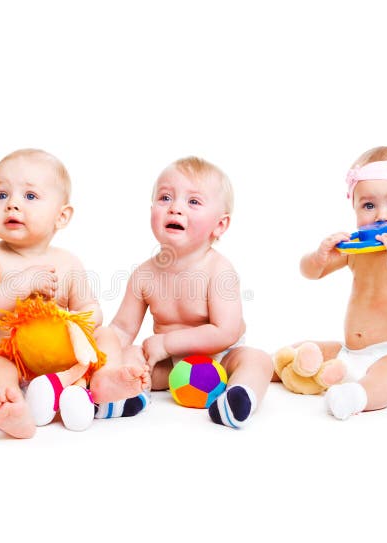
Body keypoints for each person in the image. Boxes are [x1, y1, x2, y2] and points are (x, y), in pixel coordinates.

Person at [0, 148, 149, 438]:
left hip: (63, 365)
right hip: (9, 360)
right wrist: (20, 285)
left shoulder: (68, 262)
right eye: (1, 195)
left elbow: (92, 308)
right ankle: (12, 406)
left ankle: (103, 382)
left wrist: (77, 319)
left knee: (106, 335)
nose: (12, 205)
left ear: (61, 216)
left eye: (30, 196)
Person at [109, 157, 273, 428]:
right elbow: (123, 329)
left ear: (219, 225)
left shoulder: (218, 271)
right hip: (171, 367)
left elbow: (225, 331)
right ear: (151, 210)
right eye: (165, 198)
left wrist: (166, 342)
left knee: (258, 360)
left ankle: (239, 397)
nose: (175, 209)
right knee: (129, 357)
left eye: (193, 202)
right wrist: (102, 351)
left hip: (222, 360)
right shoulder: (144, 275)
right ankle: (127, 398)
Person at [290, 146, 387, 420]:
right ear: (355, 208)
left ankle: (357, 397)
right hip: (352, 352)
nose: (382, 216)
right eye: (369, 205)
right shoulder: (358, 250)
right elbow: (309, 272)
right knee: (306, 347)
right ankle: (276, 366)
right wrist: (318, 256)